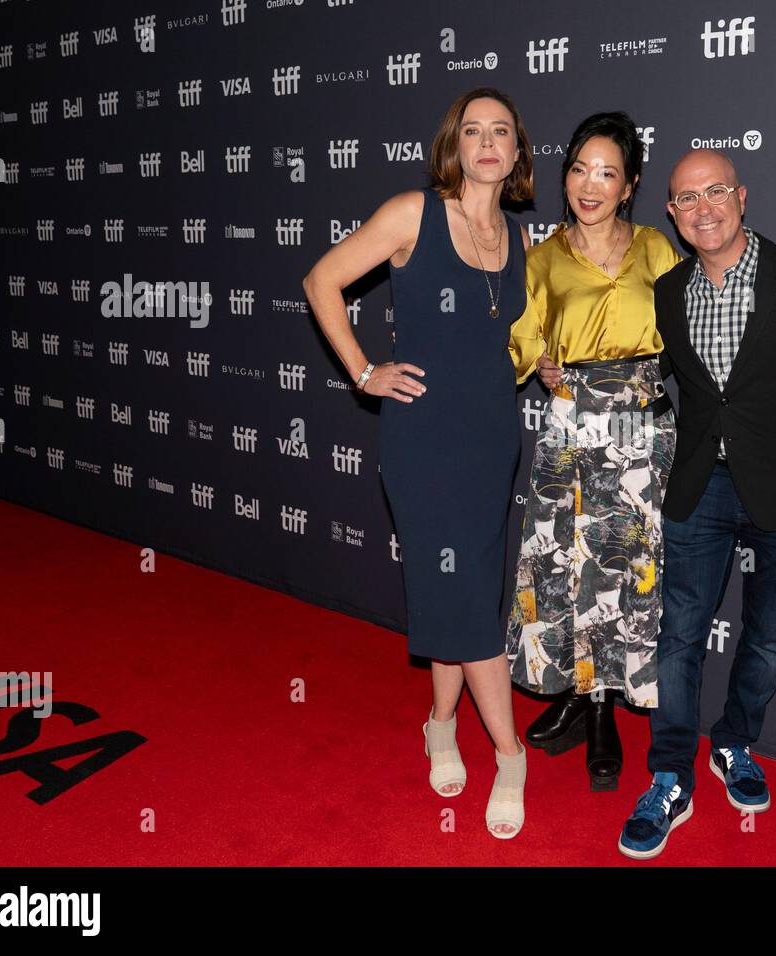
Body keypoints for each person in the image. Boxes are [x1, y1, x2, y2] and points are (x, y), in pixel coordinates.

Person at [618, 149, 776, 859]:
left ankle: (735, 743)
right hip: (700, 488)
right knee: (680, 637)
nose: (703, 207)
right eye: (686, 198)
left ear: (742, 196)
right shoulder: (670, 290)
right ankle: (669, 775)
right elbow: (655, 376)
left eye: (715, 191)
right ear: (672, 213)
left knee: (765, 637)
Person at [303, 87, 533, 839]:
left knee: (455, 591)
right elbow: (321, 281)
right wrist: (364, 371)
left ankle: (440, 723)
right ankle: (509, 753)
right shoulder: (415, 213)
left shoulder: (517, 237)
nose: (488, 142)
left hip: (492, 438)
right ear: (455, 145)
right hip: (424, 442)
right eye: (474, 130)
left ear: (517, 151)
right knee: (464, 597)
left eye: (502, 131)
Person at [506, 112, 680, 791]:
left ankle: (603, 704)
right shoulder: (544, 256)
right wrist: (542, 356)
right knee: (568, 565)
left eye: (607, 172)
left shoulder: (656, 248)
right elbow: (522, 338)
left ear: (629, 184)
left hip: (640, 431)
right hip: (572, 430)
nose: (590, 184)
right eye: (580, 169)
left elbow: (684, 334)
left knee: (624, 569)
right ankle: (581, 696)